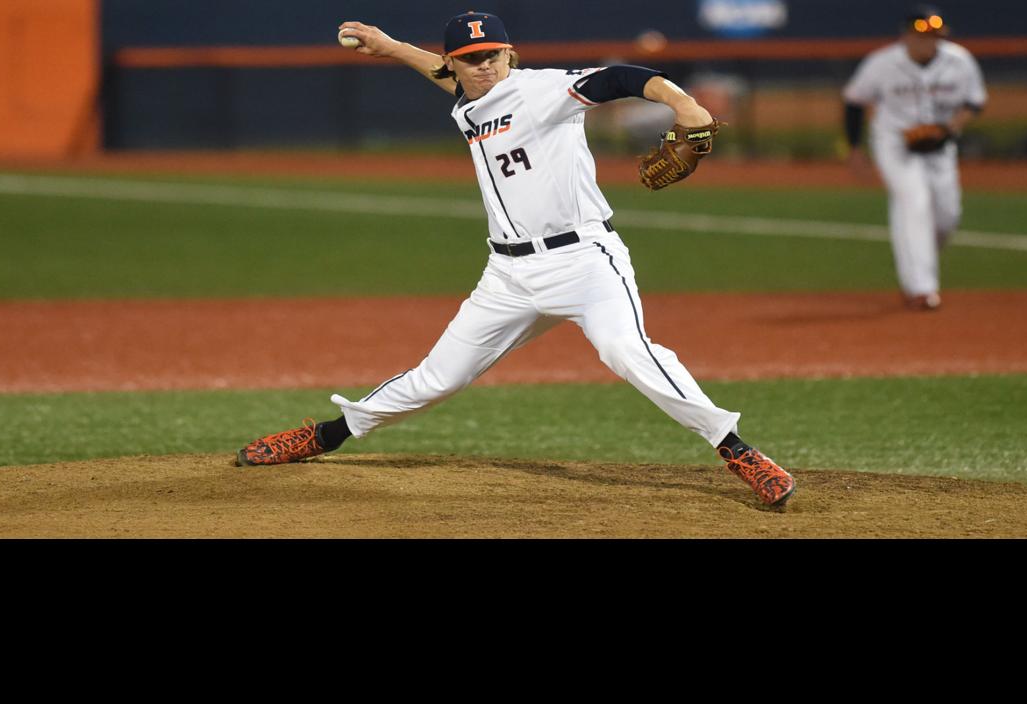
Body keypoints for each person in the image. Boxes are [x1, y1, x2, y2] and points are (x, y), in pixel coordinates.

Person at [234, 11, 795, 508]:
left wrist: (684, 102)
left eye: (493, 56)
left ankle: (738, 451)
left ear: (511, 54)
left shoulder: (543, 90)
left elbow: (619, 79)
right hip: (506, 276)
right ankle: (326, 436)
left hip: (583, 263)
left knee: (626, 350)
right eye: (471, 59)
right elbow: (445, 75)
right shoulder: (467, 96)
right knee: (437, 378)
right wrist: (391, 46)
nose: (484, 67)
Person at [842, 5, 987, 311]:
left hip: (941, 144)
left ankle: (917, 265)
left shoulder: (959, 61)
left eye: (934, 36)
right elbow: (854, 102)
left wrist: (948, 130)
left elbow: (974, 101)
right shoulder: (882, 63)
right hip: (894, 143)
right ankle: (922, 288)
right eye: (921, 36)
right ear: (906, 36)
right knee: (914, 201)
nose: (927, 42)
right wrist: (854, 148)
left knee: (947, 216)